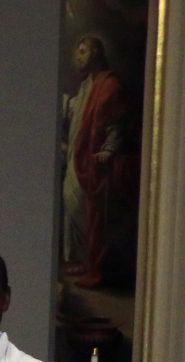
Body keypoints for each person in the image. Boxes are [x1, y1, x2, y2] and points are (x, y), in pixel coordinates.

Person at [59, 33, 133, 288]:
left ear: (96, 53)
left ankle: (95, 268)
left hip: (94, 164)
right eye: (77, 52)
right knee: (72, 206)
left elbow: (115, 124)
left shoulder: (109, 86)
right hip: (77, 158)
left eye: (83, 52)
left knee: (90, 214)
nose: (77, 58)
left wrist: (109, 149)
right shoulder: (86, 85)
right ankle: (80, 260)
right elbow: (78, 116)